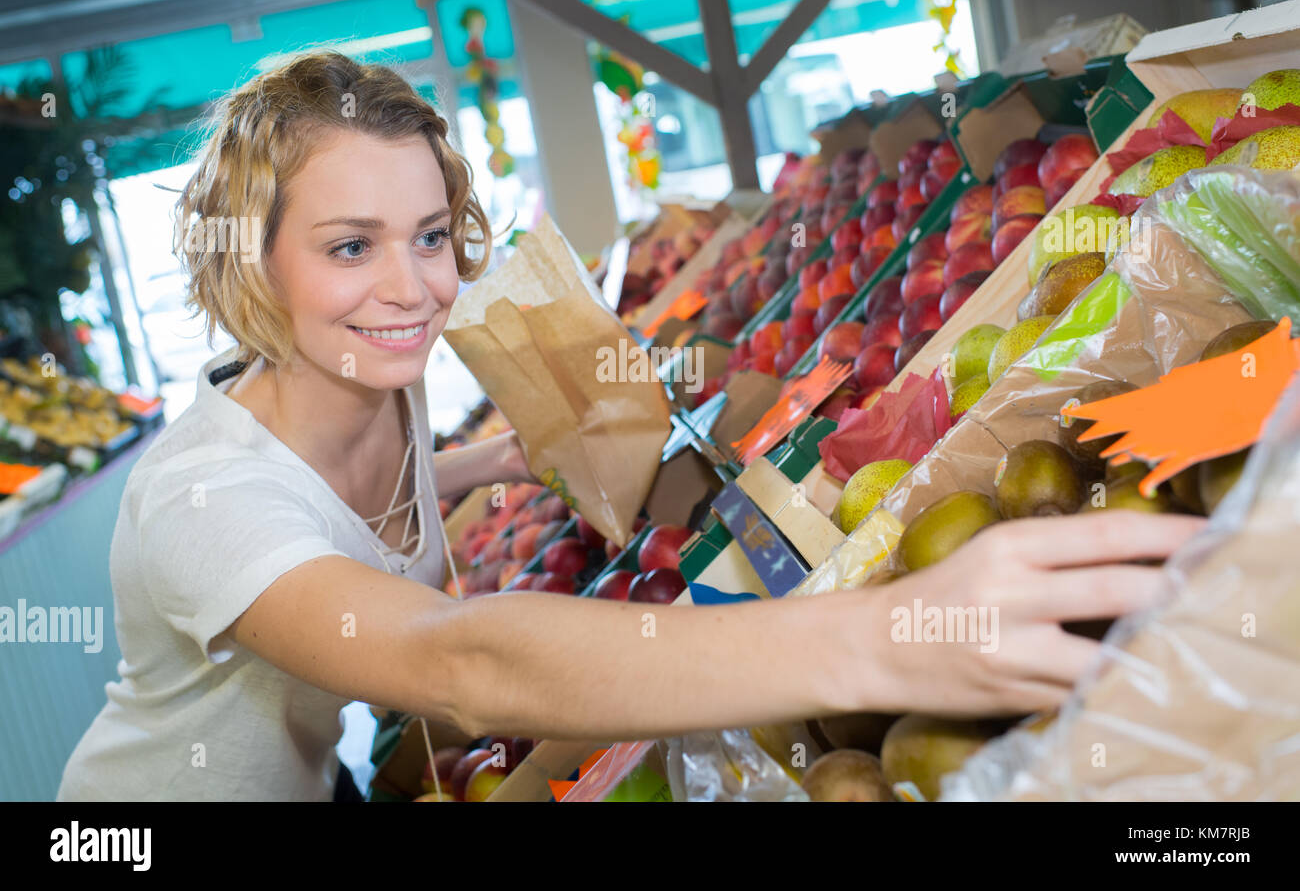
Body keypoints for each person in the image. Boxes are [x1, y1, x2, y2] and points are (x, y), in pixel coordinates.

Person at [57, 52, 1203, 801]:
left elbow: (349, 506)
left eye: (432, 233)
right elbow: (453, 662)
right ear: (250, 263)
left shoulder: (370, 372)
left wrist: (493, 458)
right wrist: (882, 630)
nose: (413, 287)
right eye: (349, 245)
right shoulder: (201, 500)